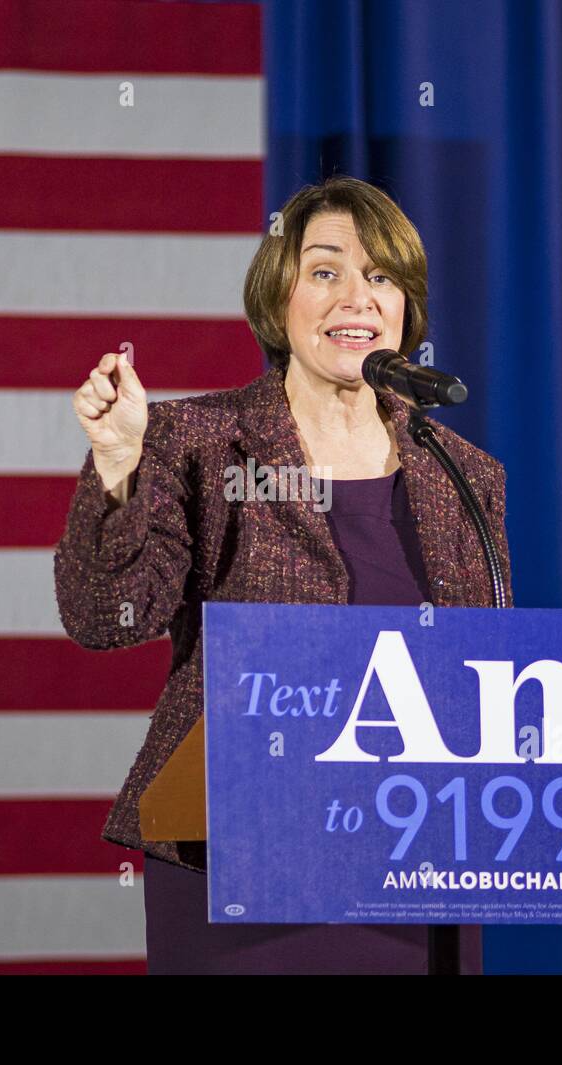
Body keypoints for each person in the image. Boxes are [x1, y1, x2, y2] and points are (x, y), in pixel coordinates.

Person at [54, 174, 513, 974]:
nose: (356, 298)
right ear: (279, 297)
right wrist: (120, 463)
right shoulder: (198, 440)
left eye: (381, 276)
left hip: (422, 863)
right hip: (241, 865)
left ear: (406, 309)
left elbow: (490, 669)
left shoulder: (462, 472)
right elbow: (108, 614)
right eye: (326, 270)